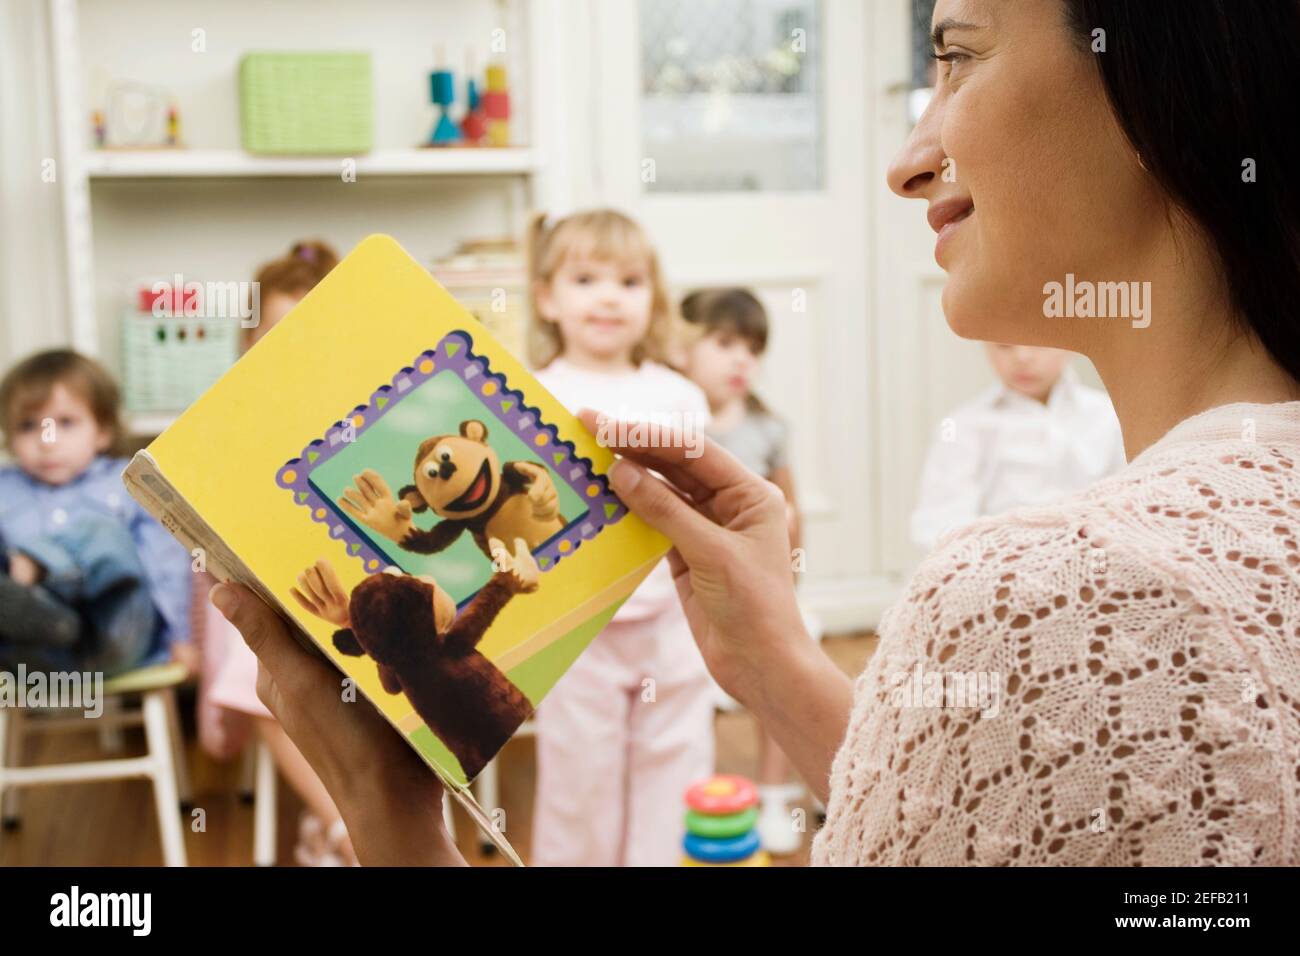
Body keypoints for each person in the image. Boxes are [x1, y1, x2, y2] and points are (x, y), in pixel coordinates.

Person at [209, 0, 1300, 865]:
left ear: (1160, 82)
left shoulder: (1065, 590)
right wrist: (776, 659)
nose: (909, 158)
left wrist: (388, 823)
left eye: (957, 54)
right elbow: (1013, 821)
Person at [525, 209, 714, 866]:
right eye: (586, 279)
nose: (609, 296)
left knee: (676, 758)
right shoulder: (534, 394)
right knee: (579, 774)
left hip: (673, 613)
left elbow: (701, 501)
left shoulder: (681, 395)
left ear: (653, 299)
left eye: (629, 282)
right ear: (547, 297)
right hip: (578, 620)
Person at [199, 240, 358, 866]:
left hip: (342, 601)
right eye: (275, 333)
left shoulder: (362, 414)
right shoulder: (230, 421)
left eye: (309, 332)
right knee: (260, 673)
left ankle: (344, 829)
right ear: (248, 344)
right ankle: (343, 828)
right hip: (264, 601)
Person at [674, 287, 810, 854]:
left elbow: (788, 508)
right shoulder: (674, 420)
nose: (741, 360)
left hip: (760, 587)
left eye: (753, 349)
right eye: (725, 343)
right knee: (688, 694)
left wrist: (790, 580)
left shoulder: (768, 427)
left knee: (772, 687)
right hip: (690, 591)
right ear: (683, 349)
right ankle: (699, 789)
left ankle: (774, 791)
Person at [0, 350, 191, 677]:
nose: (48, 442)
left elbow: (165, 563)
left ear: (102, 430)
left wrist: (181, 637)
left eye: (66, 423)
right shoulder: (6, 489)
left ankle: (41, 564)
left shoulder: (127, 483)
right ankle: (47, 613)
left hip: (115, 635)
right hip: (31, 653)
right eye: (29, 426)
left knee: (101, 531)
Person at [911, 343, 1124, 551]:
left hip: (1095, 563)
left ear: (1071, 343)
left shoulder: (1112, 417)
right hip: (997, 566)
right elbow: (939, 520)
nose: (1022, 357)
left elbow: (1127, 508)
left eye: (1039, 343)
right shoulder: (960, 426)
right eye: (1004, 346)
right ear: (985, 347)